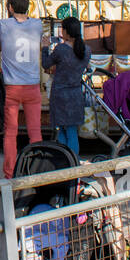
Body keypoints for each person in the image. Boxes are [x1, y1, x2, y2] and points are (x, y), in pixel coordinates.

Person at [0, 0, 43, 179]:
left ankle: (10, 172)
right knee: (35, 131)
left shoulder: (4, 24)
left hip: (12, 86)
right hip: (32, 85)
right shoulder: (37, 24)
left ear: (10, 8)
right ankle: (37, 169)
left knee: (10, 132)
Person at [42, 16, 90, 157]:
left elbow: (46, 64)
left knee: (62, 130)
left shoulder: (61, 49)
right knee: (72, 130)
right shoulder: (86, 50)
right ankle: (72, 161)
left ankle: (65, 161)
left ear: (66, 32)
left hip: (60, 94)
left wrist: (45, 48)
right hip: (76, 94)